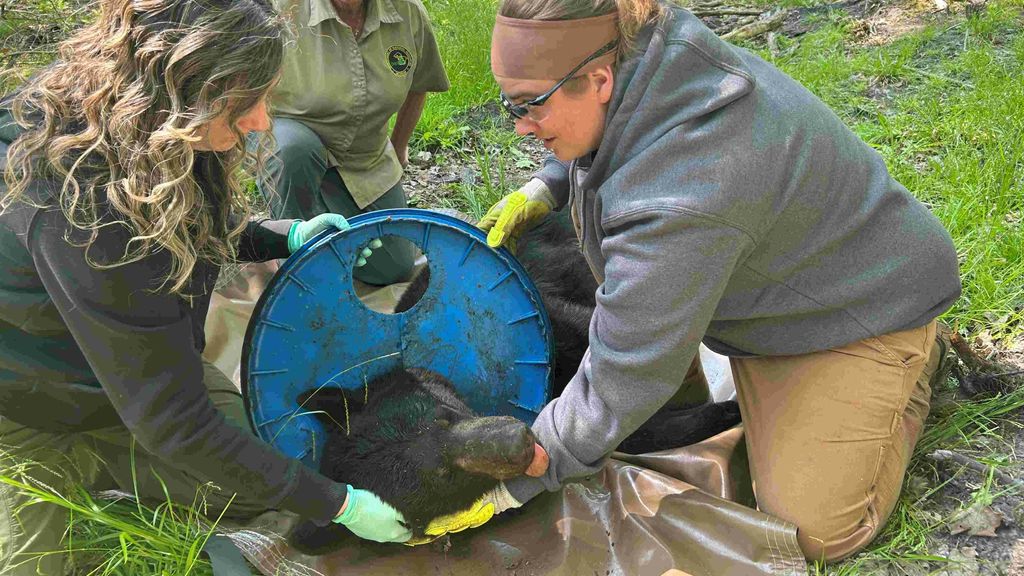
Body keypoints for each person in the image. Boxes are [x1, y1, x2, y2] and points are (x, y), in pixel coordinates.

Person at [465, 0, 961, 563]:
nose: (520, 126)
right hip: (787, 281)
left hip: (865, 309)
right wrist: (551, 182)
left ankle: (915, 362)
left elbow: (622, 376)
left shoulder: (682, 191)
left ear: (598, 80)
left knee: (819, 527)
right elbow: (625, 133)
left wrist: (517, 478)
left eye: (531, 106)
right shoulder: (652, 50)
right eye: (512, 104)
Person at [0, 1, 411, 574]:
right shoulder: (85, 210)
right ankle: (79, 466)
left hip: (135, 357)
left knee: (262, 476)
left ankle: (126, 458)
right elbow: (177, 421)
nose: (263, 121)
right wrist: (339, 504)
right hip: (33, 398)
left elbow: (180, 217)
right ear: (187, 90)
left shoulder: (146, 122)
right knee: (42, 564)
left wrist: (282, 234)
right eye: (248, 104)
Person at [261, 0, 450, 286]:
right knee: (292, 150)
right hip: (291, 145)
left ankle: (325, 218)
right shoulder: (279, 8)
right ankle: (294, 266)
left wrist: (398, 147)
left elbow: (419, 84)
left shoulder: (408, 11)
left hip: (365, 157)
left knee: (394, 268)